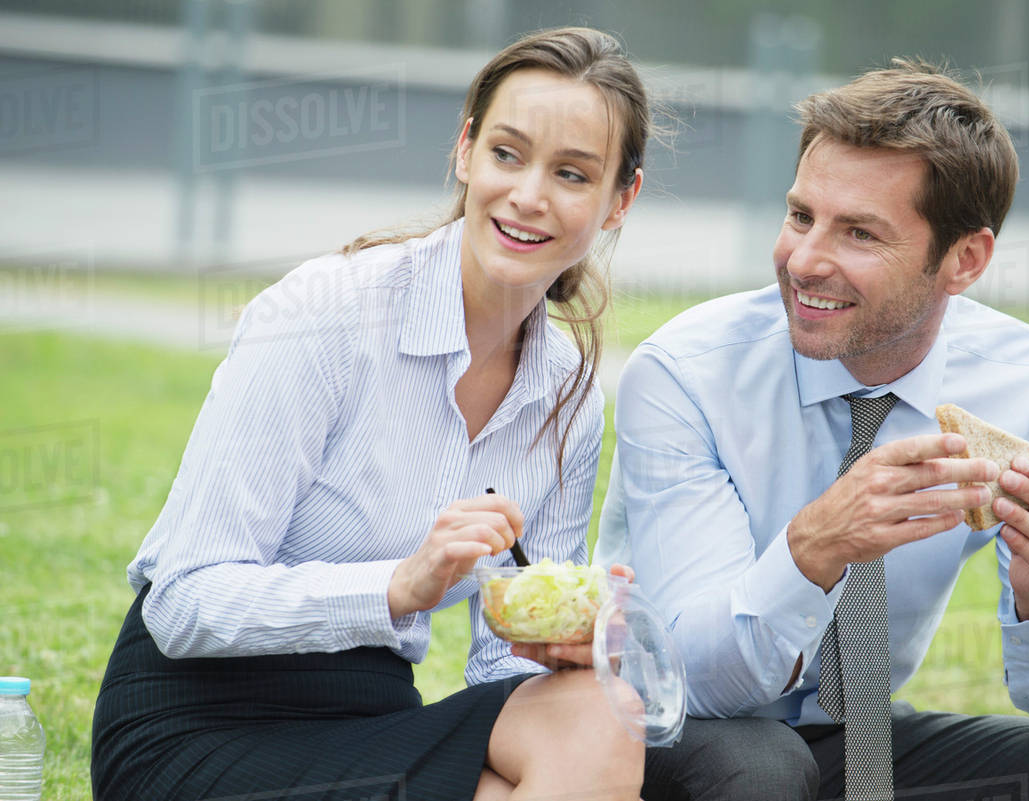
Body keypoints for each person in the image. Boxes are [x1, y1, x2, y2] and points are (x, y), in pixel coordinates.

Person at [92, 27, 650, 801]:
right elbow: (183, 601)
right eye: (507, 154)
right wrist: (398, 585)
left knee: (599, 712)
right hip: (198, 723)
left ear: (621, 199)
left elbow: (501, 662)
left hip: (370, 715)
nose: (528, 195)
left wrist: (562, 642)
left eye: (572, 173)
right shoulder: (324, 314)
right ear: (465, 151)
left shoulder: (569, 395)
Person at [597, 59, 1029, 801]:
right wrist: (815, 546)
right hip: (676, 727)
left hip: (862, 743)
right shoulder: (687, 373)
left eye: (859, 233)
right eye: (801, 215)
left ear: (964, 259)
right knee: (763, 767)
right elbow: (700, 679)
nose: (804, 260)